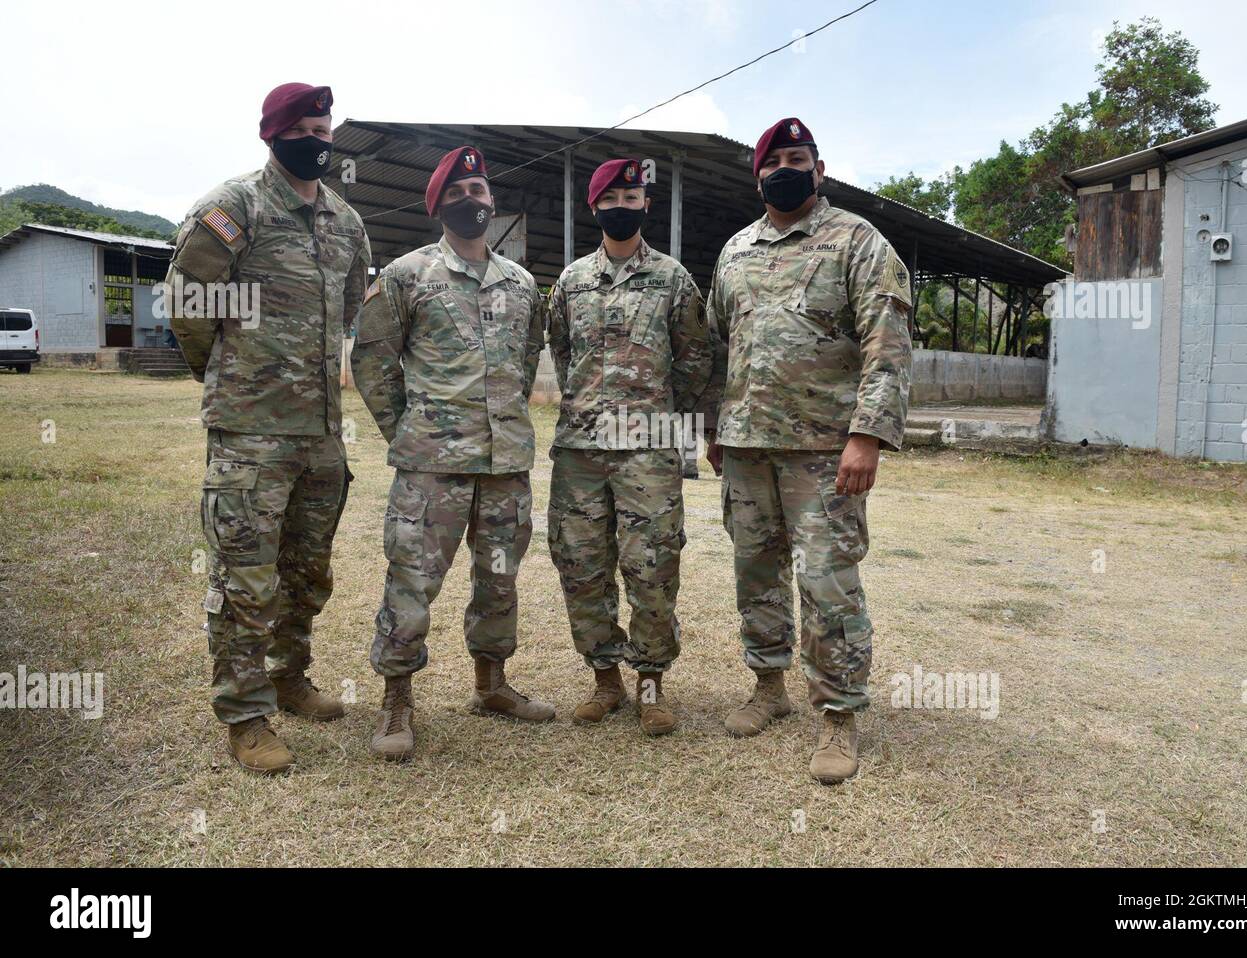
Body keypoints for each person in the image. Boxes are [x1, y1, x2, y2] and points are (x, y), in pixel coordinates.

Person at [700, 117, 913, 784]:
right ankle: (768, 687)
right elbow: (715, 348)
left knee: (828, 583)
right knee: (755, 573)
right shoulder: (734, 252)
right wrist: (713, 428)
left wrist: (867, 435)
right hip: (746, 447)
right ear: (758, 175)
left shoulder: (857, 241)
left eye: (799, 158)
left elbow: (888, 345)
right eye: (775, 160)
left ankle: (839, 715)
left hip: (825, 450)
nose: (786, 168)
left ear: (819, 171)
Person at [167, 83, 371, 774]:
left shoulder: (345, 222)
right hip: (250, 434)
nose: (321, 139)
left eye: (327, 127)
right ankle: (246, 714)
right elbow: (190, 305)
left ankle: (290, 676)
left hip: (320, 434)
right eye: (308, 128)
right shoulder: (235, 209)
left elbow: (347, 314)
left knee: (305, 573)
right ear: (274, 134)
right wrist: (231, 379)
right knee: (244, 580)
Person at [351, 145, 551, 763]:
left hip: (505, 465)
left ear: (493, 200)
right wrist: (407, 430)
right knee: (412, 582)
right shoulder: (408, 276)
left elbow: (526, 358)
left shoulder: (521, 284)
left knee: (500, 580)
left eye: (480, 190)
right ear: (438, 205)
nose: (473, 201)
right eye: (458, 194)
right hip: (431, 467)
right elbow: (373, 360)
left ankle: (491, 685)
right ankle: (397, 698)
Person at [545, 158, 711, 735]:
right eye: (610, 197)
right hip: (581, 451)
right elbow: (563, 353)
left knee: (653, 567)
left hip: (649, 449)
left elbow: (694, 359)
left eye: (631, 196)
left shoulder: (673, 279)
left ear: (646, 205)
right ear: (594, 207)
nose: (622, 204)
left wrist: (665, 421)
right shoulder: (569, 281)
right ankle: (605, 680)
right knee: (581, 565)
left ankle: (650, 682)